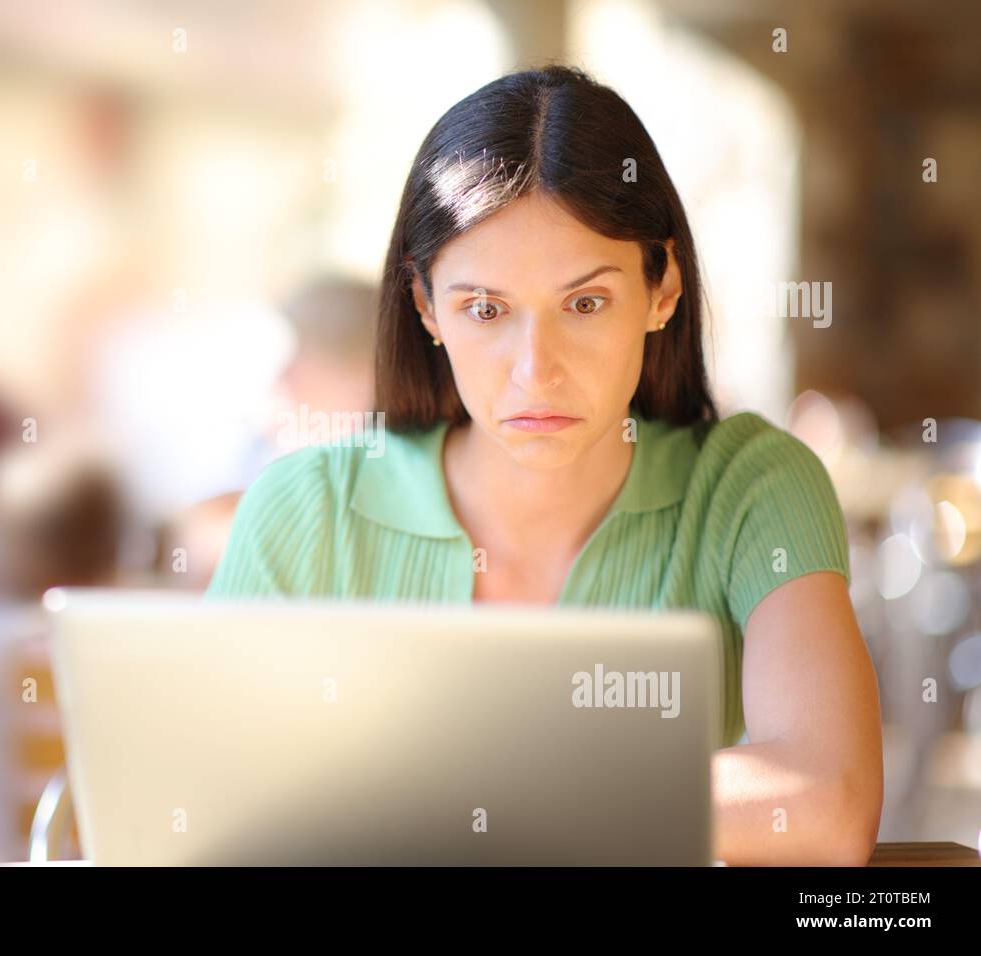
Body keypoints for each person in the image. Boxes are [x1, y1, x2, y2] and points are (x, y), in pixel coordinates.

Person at [206, 65, 882, 866]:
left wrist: (464, 803)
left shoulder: (751, 490)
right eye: (485, 309)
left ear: (661, 287)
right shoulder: (307, 508)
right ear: (425, 305)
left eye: (586, 303)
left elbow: (824, 803)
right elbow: (205, 809)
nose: (537, 371)